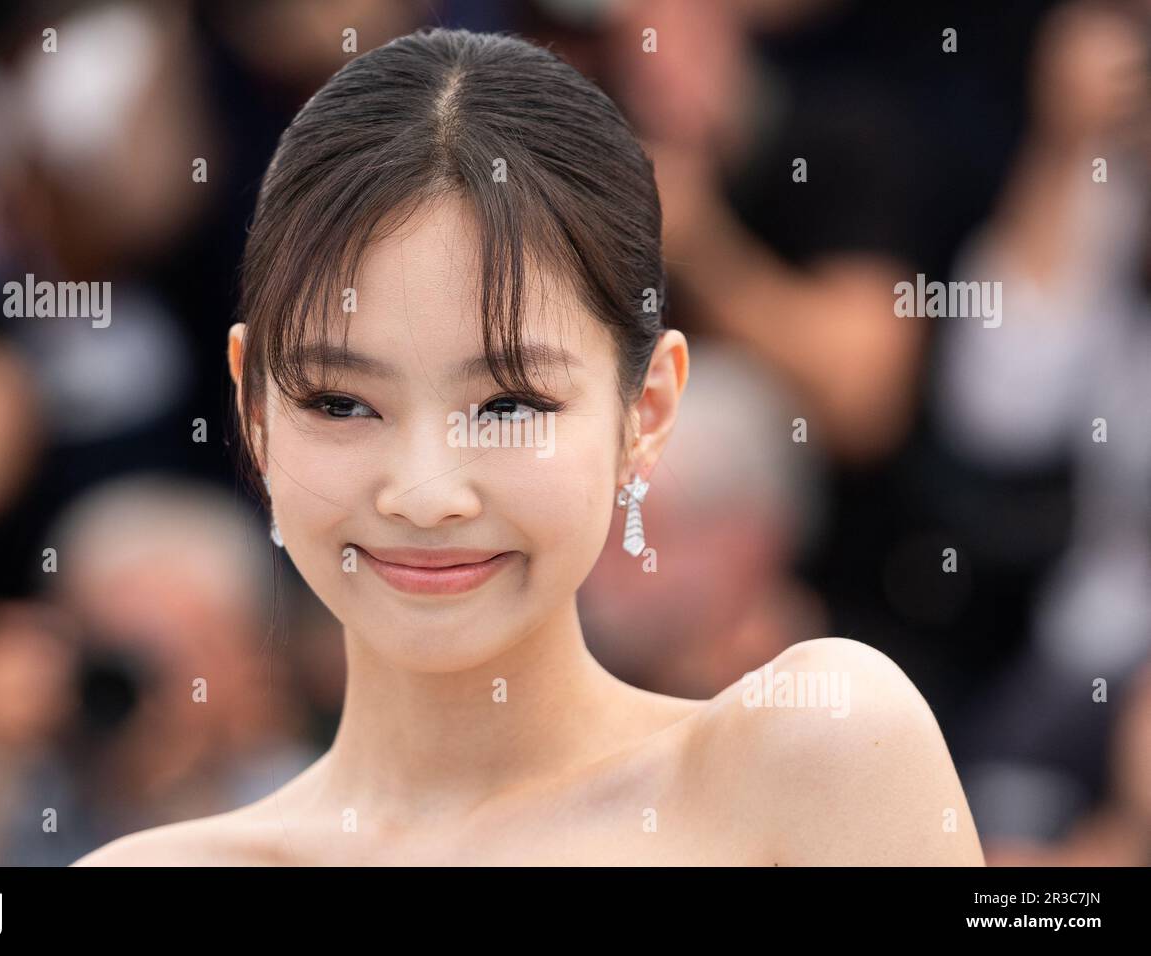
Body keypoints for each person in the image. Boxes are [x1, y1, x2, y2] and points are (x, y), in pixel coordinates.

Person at [73, 26, 984, 866]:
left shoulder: (816, 753)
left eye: (508, 404)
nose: (426, 494)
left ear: (648, 409)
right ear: (253, 409)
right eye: (342, 402)